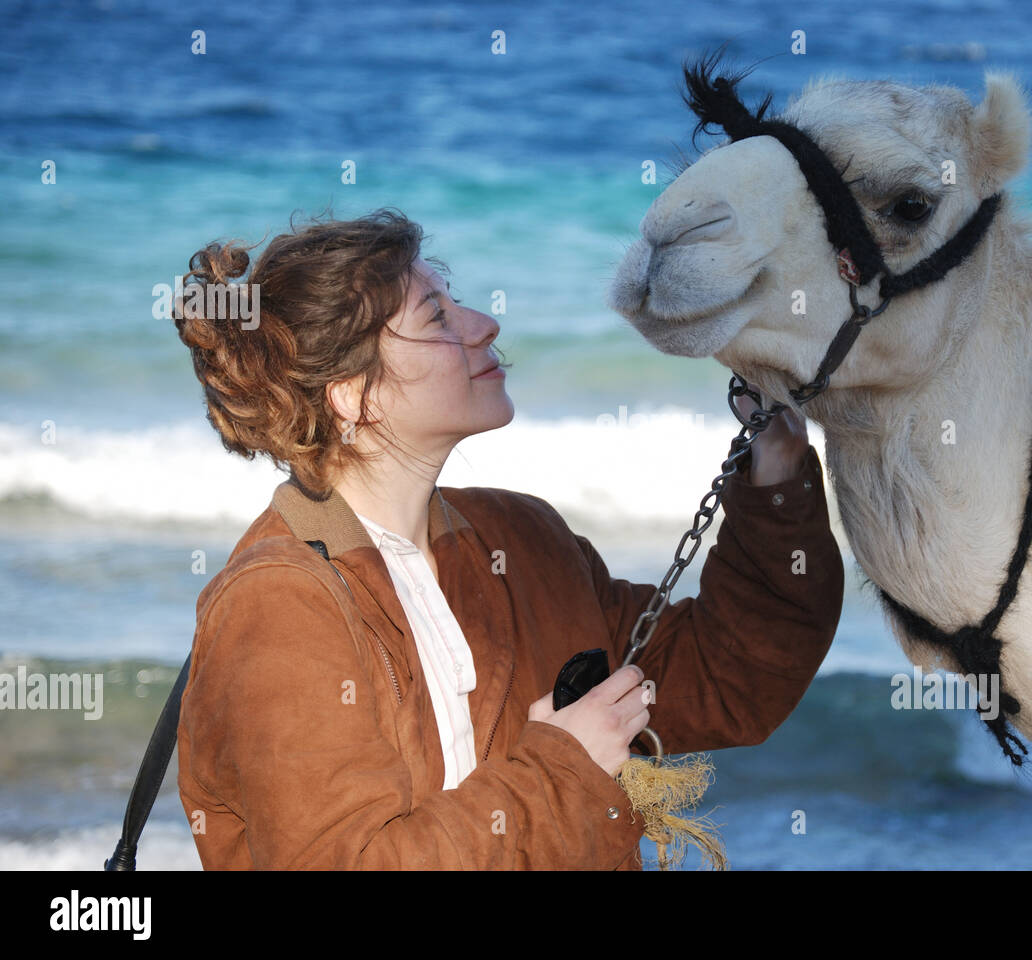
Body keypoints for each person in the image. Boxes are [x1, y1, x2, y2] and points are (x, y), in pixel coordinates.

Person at [171, 208, 844, 869]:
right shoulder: (280, 606)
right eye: (436, 317)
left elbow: (730, 677)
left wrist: (776, 476)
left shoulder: (522, 539)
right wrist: (566, 768)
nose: (483, 323)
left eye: (455, 301)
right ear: (353, 395)